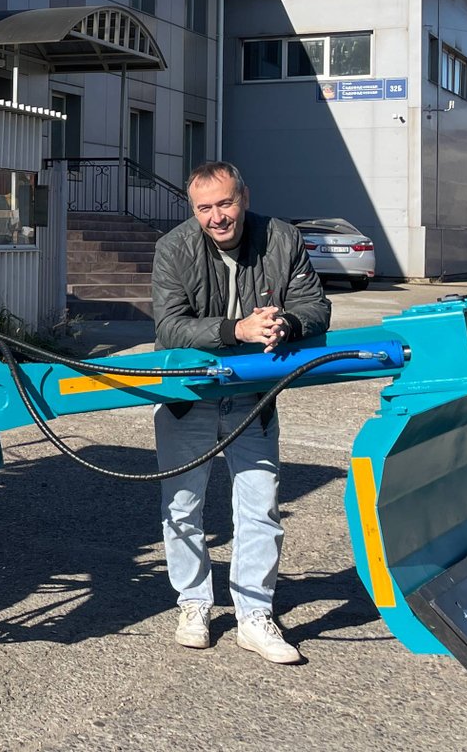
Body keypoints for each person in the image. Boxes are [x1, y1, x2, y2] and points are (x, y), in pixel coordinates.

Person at [148, 161, 329, 664]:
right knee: (182, 508)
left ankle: (254, 614)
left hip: (255, 400)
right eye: (204, 208)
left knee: (260, 508)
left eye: (225, 203)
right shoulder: (173, 248)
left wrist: (286, 324)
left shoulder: (283, 239)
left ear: (244, 196)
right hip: (190, 400)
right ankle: (194, 604)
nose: (217, 217)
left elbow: (317, 308)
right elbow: (170, 329)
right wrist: (238, 331)